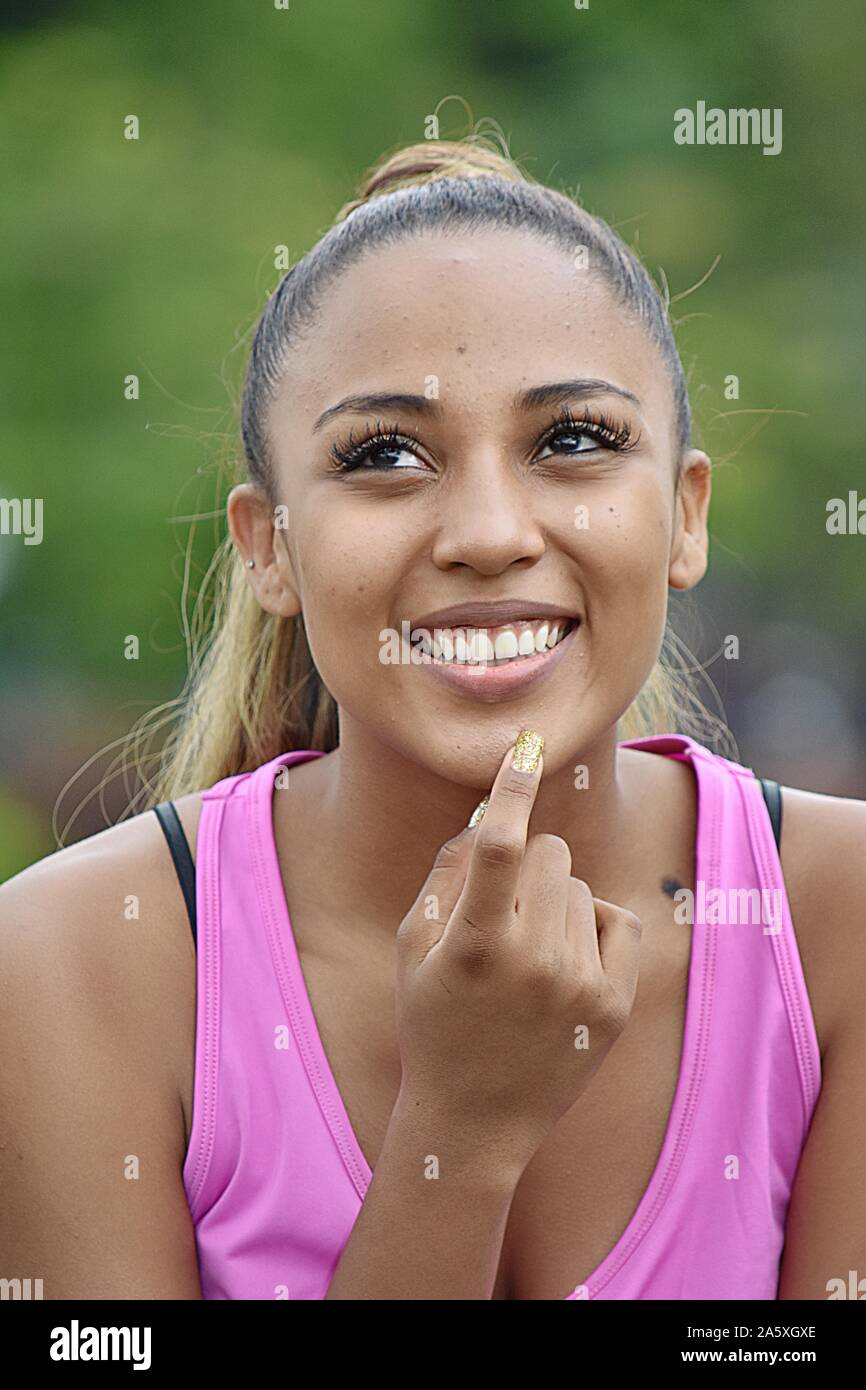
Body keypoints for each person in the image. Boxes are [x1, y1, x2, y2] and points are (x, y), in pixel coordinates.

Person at [1, 137, 864, 1302]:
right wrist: (458, 1133)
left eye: (572, 439)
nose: (490, 531)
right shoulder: (63, 963)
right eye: (385, 454)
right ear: (269, 547)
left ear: (681, 514)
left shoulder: (836, 926)